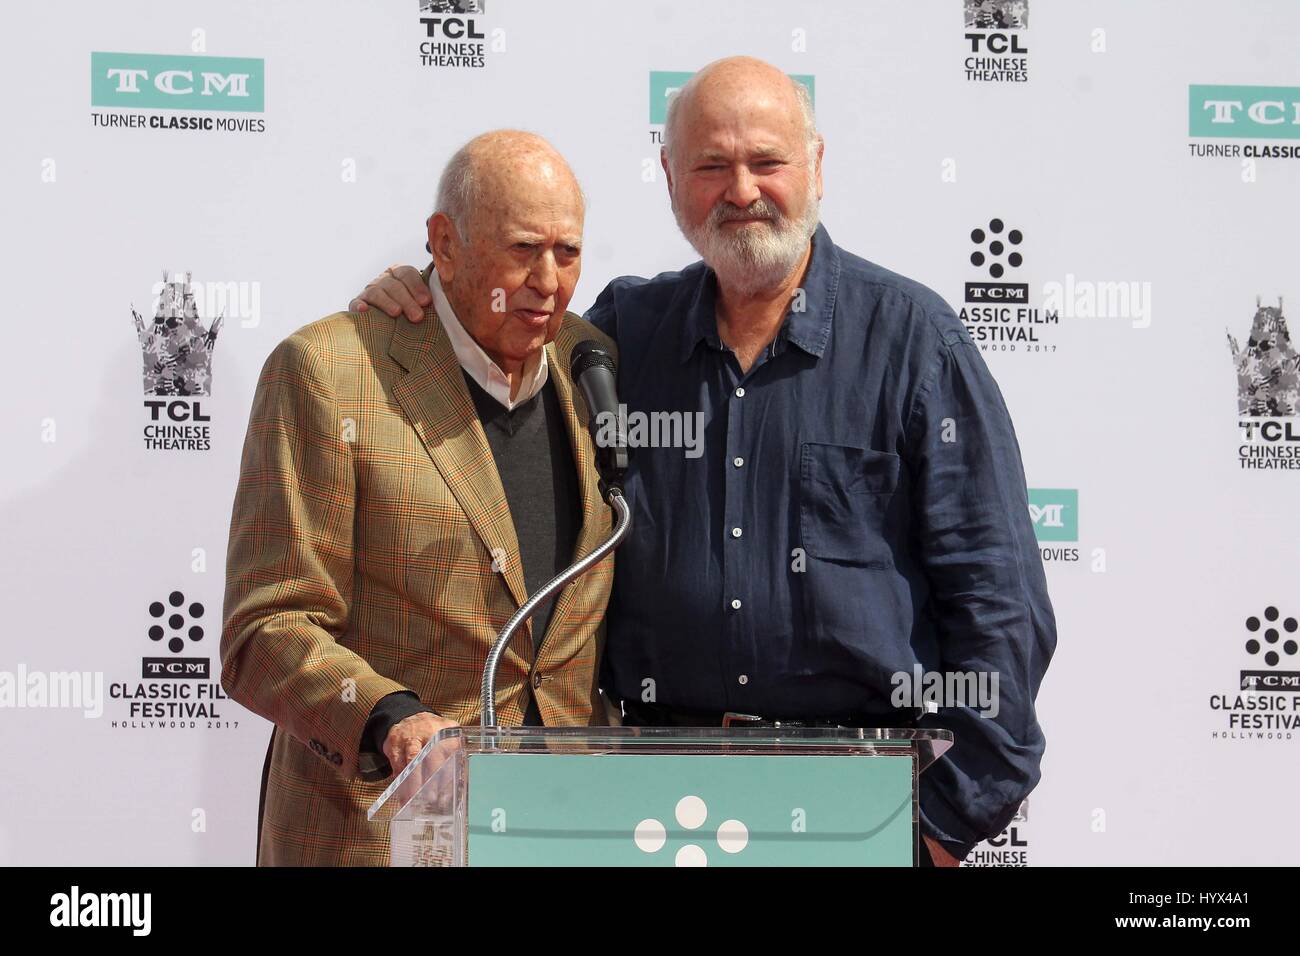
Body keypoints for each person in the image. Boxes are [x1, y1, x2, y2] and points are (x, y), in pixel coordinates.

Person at [351, 57, 1057, 867]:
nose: (743, 189)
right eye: (712, 166)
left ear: (817, 166)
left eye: (768, 161)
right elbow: (495, 349)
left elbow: (1001, 607)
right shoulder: (619, 338)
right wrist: (423, 298)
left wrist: (931, 831)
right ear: (670, 178)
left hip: (857, 808)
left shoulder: (915, 344)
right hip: (651, 808)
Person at [221, 130, 617, 866]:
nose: (548, 280)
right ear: (445, 241)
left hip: (562, 830)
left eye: (568, 252)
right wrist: (386, 716)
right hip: (382, 827)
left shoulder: (592, 361)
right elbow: (265, 627)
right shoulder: (328, 372)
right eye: (523, 248)